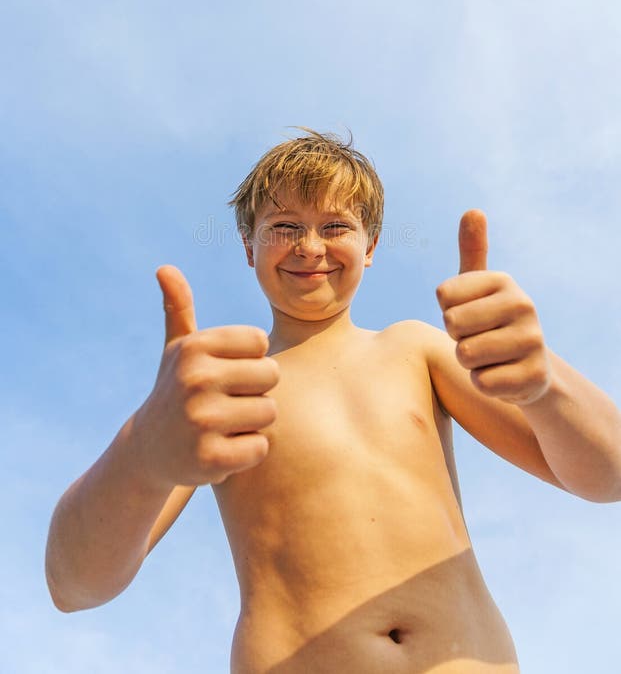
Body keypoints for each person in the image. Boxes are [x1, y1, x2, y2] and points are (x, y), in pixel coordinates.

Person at [46, 129, 621, 673]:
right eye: (285, 225)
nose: (311, 246)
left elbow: (609, 475)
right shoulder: (221, 391)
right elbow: (73, 585)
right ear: (249, 247)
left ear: (370, 245)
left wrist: (543, 383)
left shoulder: (417, 349)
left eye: (336, 225)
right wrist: (140, 454)